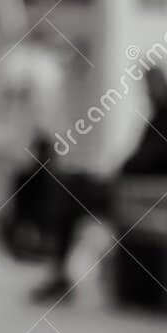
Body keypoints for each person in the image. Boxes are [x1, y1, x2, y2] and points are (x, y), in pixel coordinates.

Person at [27, 65, 167, 303]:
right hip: (130, 189)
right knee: (70, 184)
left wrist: (120, 173)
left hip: (138, 195)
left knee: (70, 191)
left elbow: (144, 162)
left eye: (149, 86)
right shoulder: (157, 118)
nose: (147, 92)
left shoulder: (164, 119)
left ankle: (56, 267)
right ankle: (54, 261)